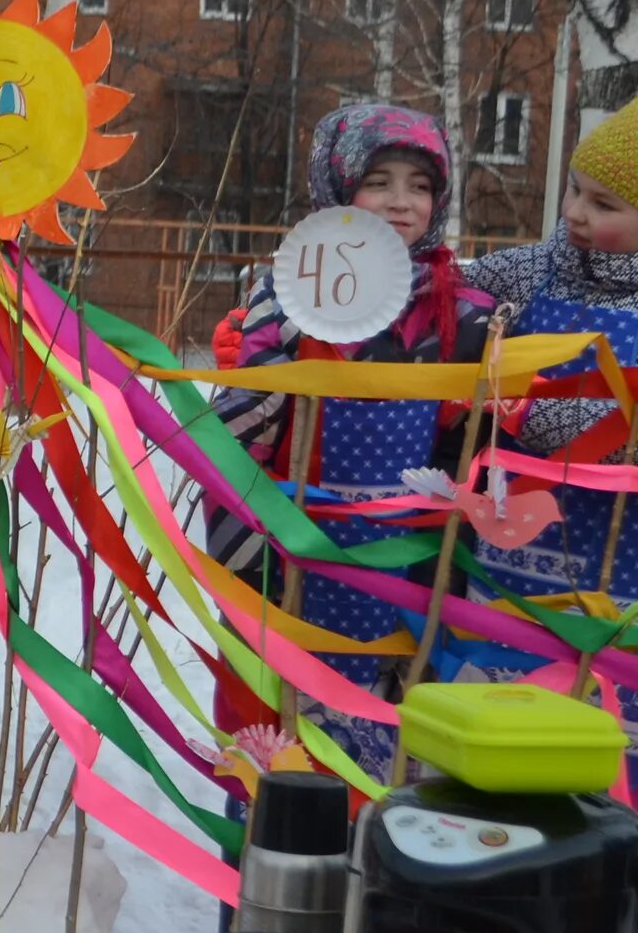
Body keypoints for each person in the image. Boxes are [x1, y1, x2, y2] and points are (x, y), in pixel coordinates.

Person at [460, 77, 638, 821]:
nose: (576, 214)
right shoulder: (538, 268)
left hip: (627, 569)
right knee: (493, 737)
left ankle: (598, 888)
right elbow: (450, 296)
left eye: (604, 204)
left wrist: (535, 412)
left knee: (602, 752)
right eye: (576, 190)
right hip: (513, 560)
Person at [203, 104, 494, 781]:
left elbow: (469, 438)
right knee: (283, 753)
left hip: (405, 567)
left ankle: (374, 882)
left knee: (383, 747)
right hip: (294, 554)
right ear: (337, 188)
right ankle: (270, 881)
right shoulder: (289, 287)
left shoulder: (459, 307)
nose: (400, 202)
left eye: (420, 185)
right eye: (379, 181)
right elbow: (239, 430)